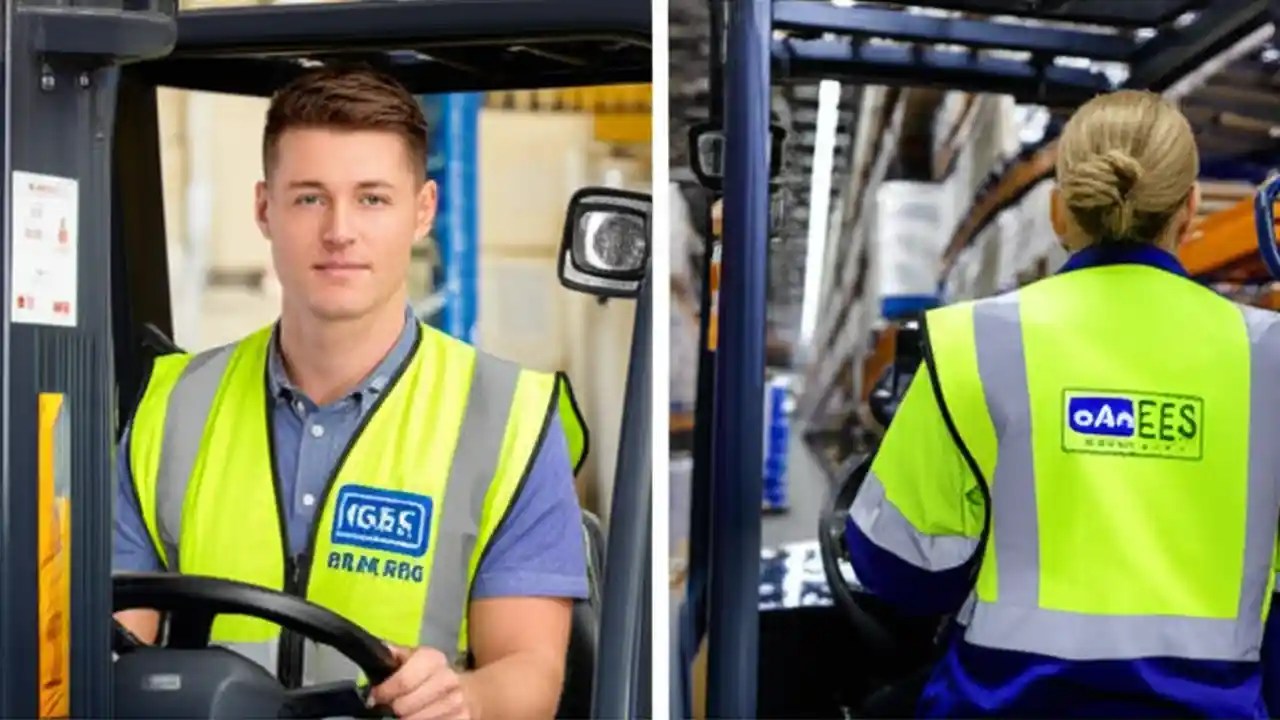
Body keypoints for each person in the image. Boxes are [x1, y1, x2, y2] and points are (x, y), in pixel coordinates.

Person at [112, 65, 591, 720]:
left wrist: (462, 697)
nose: (340, 230)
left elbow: (531, 674)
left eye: (372, 198)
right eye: (310, 197)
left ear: (423, 210)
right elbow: (107, 649)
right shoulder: (169, 409)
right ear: (264, 209)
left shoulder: (508, 421)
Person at [844, 88, 1280, 718]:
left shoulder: (971, 342)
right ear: (1188, 210)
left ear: (1058, 211)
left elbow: (897, 567)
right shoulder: (1267, 357)